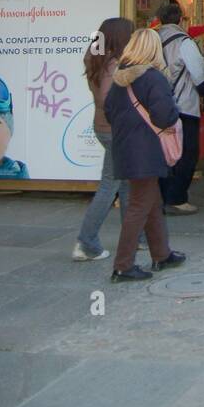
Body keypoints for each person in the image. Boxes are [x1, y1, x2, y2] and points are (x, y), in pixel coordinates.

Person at [104, 29, 186, 283]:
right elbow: (164, 116)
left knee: (151, 200)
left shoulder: (119, 80)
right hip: (147, 151)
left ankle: (161, 254)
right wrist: (175, 113)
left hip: (127, 149)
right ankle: (123, 265)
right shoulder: (153, 78)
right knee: (139, 205)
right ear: (153, 49)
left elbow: (108, 111)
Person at [73, 17, 135, 260]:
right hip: (115, 130)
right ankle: (86, 241)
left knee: (127, 183)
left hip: (103, 127)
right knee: (110, 185)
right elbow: (109, 100)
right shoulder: (113, 65)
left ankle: (133, 236)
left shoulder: (96, 60)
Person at [156, 0, 204, 215]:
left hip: (159, 106)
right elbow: (199, 75)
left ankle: (162, 195)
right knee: (187, 152)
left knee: (165, 153)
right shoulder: (184, 41)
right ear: (180, 19)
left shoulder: (154, 39)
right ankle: (177, 197)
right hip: (184, 106)